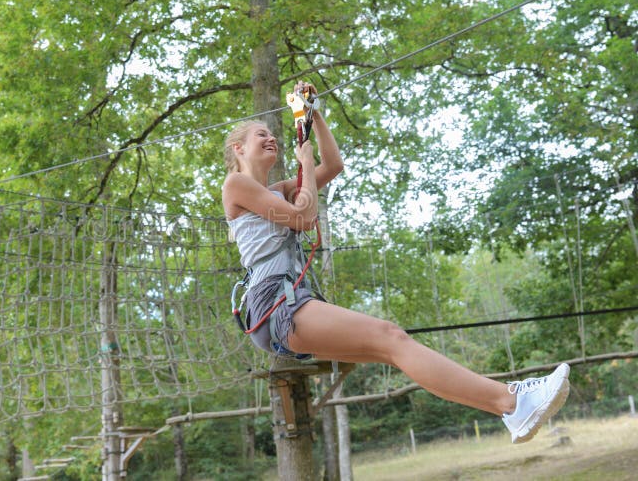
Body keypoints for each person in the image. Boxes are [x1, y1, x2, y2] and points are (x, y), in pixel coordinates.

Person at [221, 81, 569, 443]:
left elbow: (334, 165)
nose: (271, 138)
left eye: (273, 134)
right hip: (275, 305)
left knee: (392, 348)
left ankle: (508, 408)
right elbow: (305, 217)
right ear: (239, 148)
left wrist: (315, 114)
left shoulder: (277, 191)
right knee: (390, 335)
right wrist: (304, 159)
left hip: (281, 308)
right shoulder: (235, 184)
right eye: (261, 134)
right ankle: (512, 401)